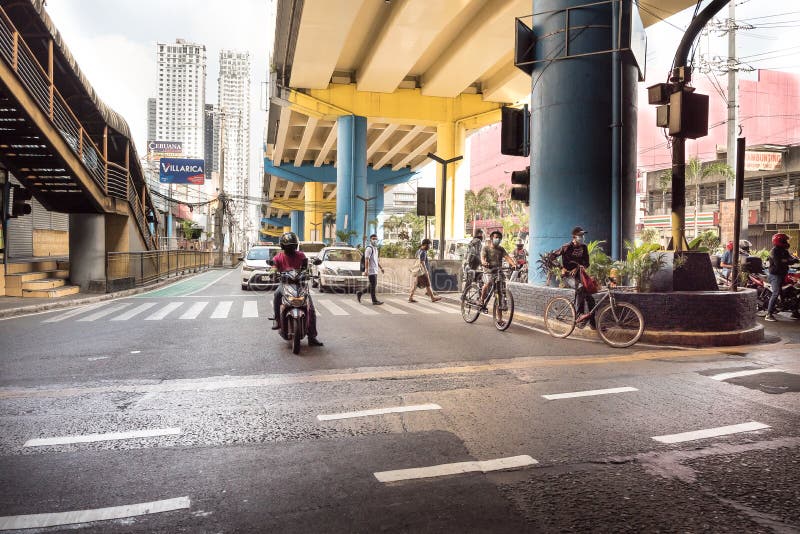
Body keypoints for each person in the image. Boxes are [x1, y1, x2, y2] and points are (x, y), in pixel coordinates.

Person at [271, 231, 323, 346]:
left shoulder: (301, 255)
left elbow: (306, 268)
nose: (290, 248)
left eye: (292, 246)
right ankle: (277, 319)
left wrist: (307, 272)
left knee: (311, 310)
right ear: (283, 246)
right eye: (288, 246)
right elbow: (274, 266)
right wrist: (273, 272)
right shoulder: (278, 257)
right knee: (276, 295)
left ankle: (312, 337)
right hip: (285, 285)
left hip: (301, 285)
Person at [551, 226, 596, 327]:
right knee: (580, 288)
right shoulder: (566, 247)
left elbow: (586, 263)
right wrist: (561, 267)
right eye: (580, 236)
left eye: (582, 236)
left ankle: (593, 324)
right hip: (567, 276)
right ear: (574, 237)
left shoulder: (584, 247)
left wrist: (579, 266)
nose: (582, 237)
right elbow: (552, 257)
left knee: (591, 298)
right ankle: (578, 316)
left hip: (579, 275)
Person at [765, 232, 800, 322]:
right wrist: (791, 261)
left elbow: (789, 258)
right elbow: (779, 262)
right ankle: (769, 314)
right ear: (780, 241)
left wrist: (795, 259)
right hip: (775, 275)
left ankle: (794, 312)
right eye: (785, 240)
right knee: (776, 293)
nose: (787, 242)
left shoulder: (784, 250)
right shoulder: (774, 251)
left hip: (783, 274)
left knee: (791, 291)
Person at [480, 231, 516, 308]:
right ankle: (481, 299)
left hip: (498, 271)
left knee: (501, 291)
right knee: (488, 283)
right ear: (491, 238)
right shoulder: (486, 248)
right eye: (496, 237)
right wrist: (484, 262)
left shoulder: (501, 249)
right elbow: (482, 258)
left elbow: (507, 257)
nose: (498, 239)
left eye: (499, 238)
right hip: (488, 271)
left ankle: (499, 317)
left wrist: (513, 264)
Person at [409, 238, 442, 303]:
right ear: (425, 244)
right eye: (429, 245)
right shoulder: (423, 252)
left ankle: (411, 297)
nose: (429, 247)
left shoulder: (418, 251)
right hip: (422, 271)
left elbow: (416, 258)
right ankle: (432, 297)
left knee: (415, 284)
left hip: (418, 270)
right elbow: (422, 262)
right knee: (427, 284)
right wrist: (426, 271)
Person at [357, 234, 384, 305]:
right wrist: (366, 270)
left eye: (376, 239)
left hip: (375, 270)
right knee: (373, 285)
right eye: (373, 239)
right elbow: (366, 259)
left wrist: (381, 268)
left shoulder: (375, 249)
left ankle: (360, 293)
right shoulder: (369, 248)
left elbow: (376, 260)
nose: (375, 240)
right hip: (370, 270)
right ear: (370, 240)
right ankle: (374, 300)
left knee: (372, 285)